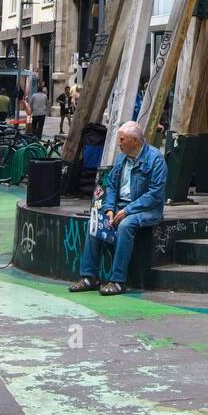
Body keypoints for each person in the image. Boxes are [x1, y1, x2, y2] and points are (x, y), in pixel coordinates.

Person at [69, 121, 167, 296]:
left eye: (122, 139)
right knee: (96, 223)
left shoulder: (155, 159)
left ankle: (118, 280)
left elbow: (155, 194)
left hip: (146, 209)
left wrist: (128, 210)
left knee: (125, 226)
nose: (119, 143)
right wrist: (109, 209)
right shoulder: (121, 158)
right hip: (121, 206)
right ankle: (89, 276)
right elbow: (111, 186)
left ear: (134, 141)